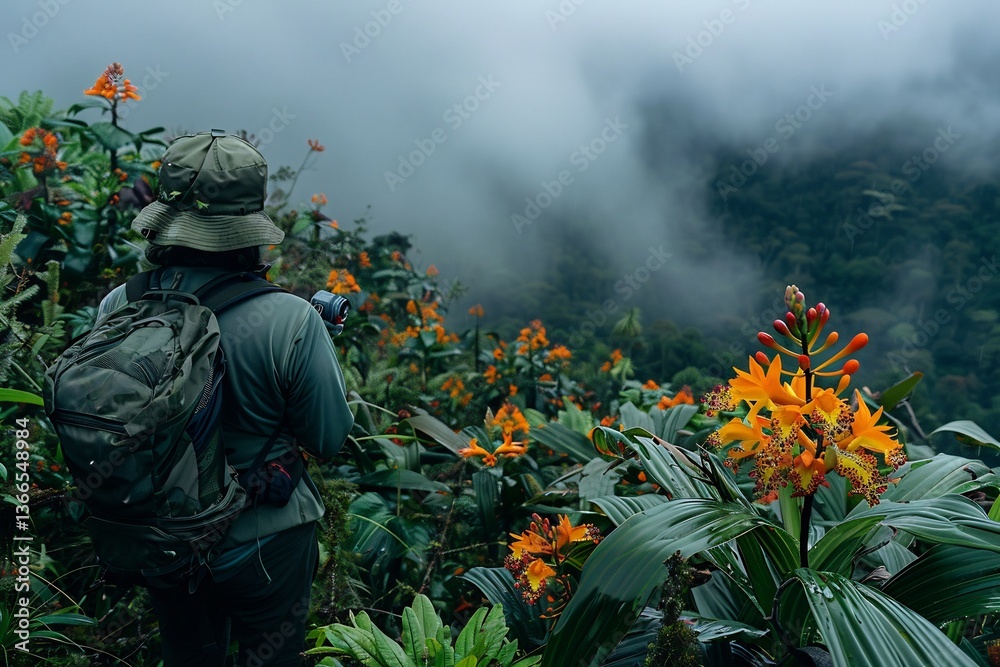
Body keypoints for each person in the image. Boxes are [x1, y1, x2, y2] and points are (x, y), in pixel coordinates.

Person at [97, 130, 354, 666]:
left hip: (162, 536)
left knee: (188, 656)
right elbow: (328, 437)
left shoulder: (120, 304)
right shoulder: (290, 318)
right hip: (265, 540)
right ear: (247, 225)